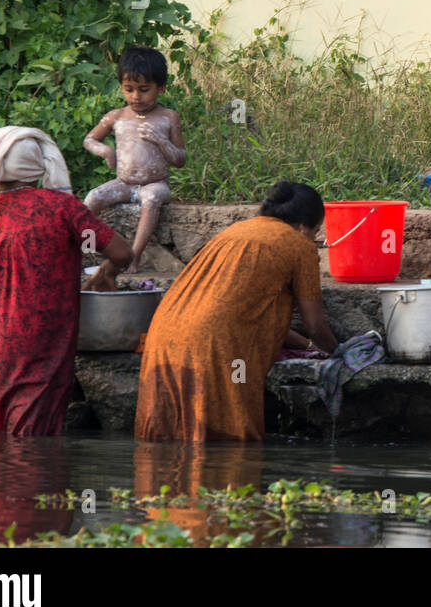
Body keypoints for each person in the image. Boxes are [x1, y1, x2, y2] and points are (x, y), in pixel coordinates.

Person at [0, 126, 135, 436]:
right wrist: (107, 271)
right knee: (31, 440)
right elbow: (122, 252)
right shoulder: (62, 209)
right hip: (38, 345)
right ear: (37, 166)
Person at [134, 181, 338, 442]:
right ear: (302, 226)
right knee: (229, 440)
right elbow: (315, 324)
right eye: (315, 232)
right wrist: (338, 352)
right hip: (216, 346)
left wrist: (309, 346)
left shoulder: (235, 232)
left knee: (165, 439)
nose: (313, 240)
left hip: (164, 337)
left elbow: (246, 312)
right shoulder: (299, 246)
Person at [83, 46, 187, 272]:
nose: (136, 97)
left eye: (144, 89)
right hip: (124, 184)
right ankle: (86, 252)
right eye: (128, 89)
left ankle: (134, 256)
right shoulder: (117, 116)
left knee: (150, 198)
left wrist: (162, 142)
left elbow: (180, 159)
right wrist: (106, 151)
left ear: (161, 88)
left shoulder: (168, 118)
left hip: (155, 184)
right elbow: (89, 140)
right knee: (93, 197)